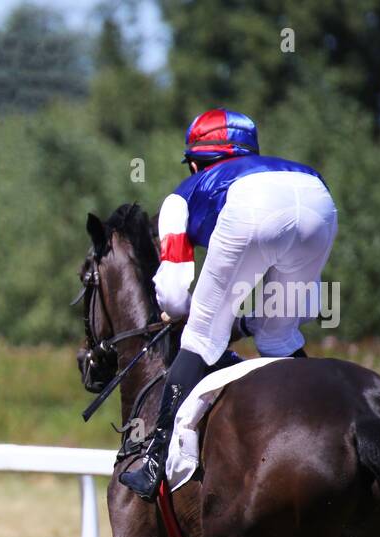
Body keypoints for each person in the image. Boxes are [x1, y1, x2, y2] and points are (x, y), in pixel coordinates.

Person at [120, 109, 338, 502]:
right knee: (279, 334)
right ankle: (329, 422)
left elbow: (173, 293)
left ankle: (155, 459)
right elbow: (309, 305)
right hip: (320, 198)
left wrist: (189, 315)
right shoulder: (284, 170)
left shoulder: (182, 195)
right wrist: (253, 321)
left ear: (194, 161)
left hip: (252, 211)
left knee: (200, 337)